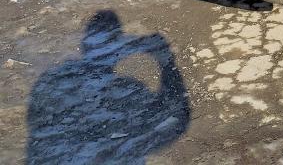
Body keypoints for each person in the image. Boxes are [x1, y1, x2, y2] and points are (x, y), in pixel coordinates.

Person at [26, 10, 189, 164]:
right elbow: (173, 120)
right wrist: (165, 60)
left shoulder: (51, 80)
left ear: (84, 44)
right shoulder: (130, 91)